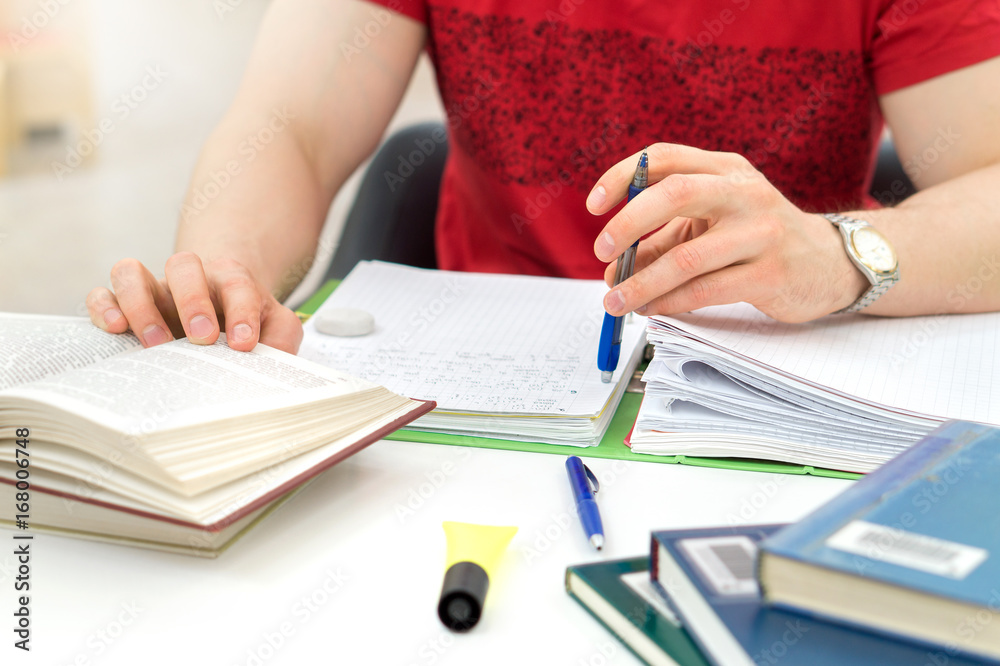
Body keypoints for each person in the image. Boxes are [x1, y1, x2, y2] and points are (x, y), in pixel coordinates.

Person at [86, 0, 1000, 355]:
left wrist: (837, 254)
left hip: (771, 371)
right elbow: (290, 125)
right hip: (471, 377)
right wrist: (223, 273)